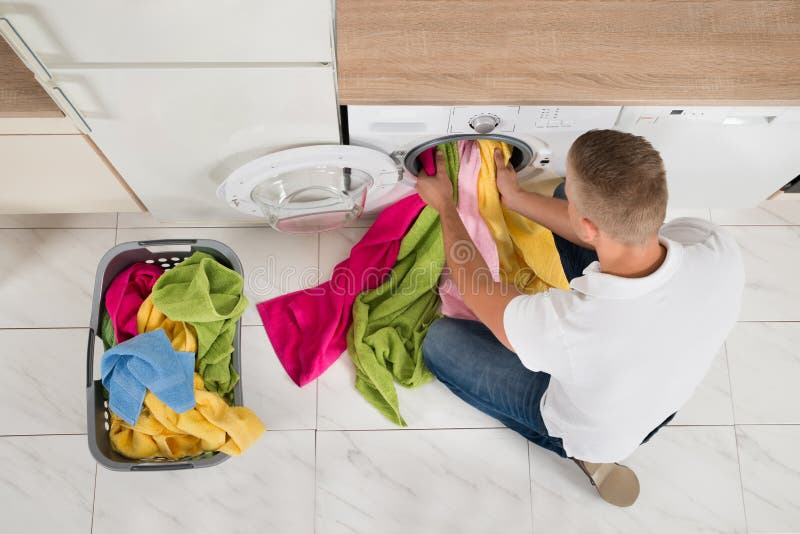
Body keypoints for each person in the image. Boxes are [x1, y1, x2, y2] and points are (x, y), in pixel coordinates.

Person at [416, 130, 744, 507]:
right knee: (555, 202)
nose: (565, 187)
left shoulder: (571, 325)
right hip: (657, 400)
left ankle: (582, 454)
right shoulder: (717, 248)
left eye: (571, 187)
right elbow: (614, 235)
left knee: (438, 343)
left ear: (588, 225)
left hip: (597, 430)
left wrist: (445, 207)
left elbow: (477, 287)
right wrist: (517, 198)